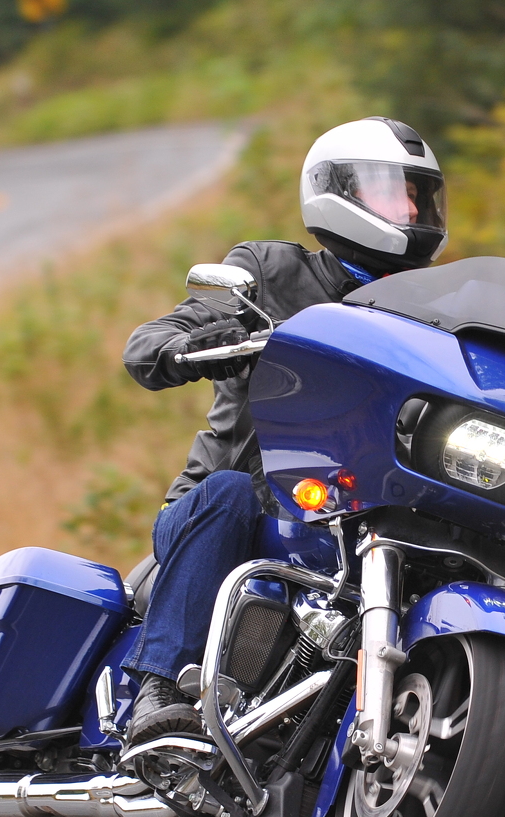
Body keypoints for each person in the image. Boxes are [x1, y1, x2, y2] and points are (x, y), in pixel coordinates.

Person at [119, 116, 449, 744]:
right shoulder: (269, 273)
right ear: (339, 195)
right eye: (391, 192)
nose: (409, 208)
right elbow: (149, 343)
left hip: (354, 516)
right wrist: (194, 340)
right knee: (230, 494)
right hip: (227, 516)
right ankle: (157, 691)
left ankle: (456, 734)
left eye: (418, 193)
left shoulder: (431, 310)